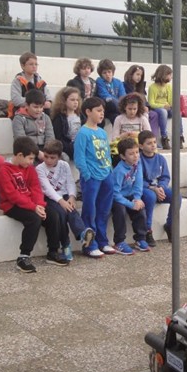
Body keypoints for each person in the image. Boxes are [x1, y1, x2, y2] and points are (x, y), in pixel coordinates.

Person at [0, 136, 64, 271]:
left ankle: (53, 251)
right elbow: (12, 195)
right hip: (12, 205)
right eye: (30, 158)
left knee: (53, 215)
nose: (32, 162)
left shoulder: (29, 168)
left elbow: (36, 188)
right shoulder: (4, 170)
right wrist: (34, 207)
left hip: (31, 204)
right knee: (34, 219)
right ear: (20, 155)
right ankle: (23, 256)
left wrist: (40, 206)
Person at [37, 139, 94, 262]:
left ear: (59, 157)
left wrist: (72, 196)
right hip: (50, 198)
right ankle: (66, 244)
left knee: (71, 208)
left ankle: (82, 234)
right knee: (62, 213)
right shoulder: (40, 169)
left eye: (52, 158)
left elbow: (70, 182)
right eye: (46, 156)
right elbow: (47, 189)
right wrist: (61, 201)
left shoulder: (64, 165)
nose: (48, 160)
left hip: (64, 195)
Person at [74, 97, 115, 258]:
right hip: (92, 177)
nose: (101, 113)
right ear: (88, 112)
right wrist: (87, 175)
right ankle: (90, 245)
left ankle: (103, 241)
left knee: (104, 210)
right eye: (98, 110)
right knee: (90, 210)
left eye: (103, 110)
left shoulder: (103, 132)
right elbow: (79, 157)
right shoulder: (83, 133)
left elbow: (106, 153)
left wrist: (110, 169)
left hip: (106, 175)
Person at [111, 137, 149, 255]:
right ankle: (119, 242)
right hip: (118, 197)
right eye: (131, 154)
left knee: (141, 208)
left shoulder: (138, 164)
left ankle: (140, 238)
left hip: (131, 195)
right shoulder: (119, 171)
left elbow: (138, 184)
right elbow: (115, 193)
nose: (136, 156)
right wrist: (130, 204)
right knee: (120, 210)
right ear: (123, 156)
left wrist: (137, 199)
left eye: (137, 152)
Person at [138, 130, 175, 245]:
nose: (153, 145)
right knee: (150, 197)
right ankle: (147, 230)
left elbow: (165, 177)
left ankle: (170, 225)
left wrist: (161, 187)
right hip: (146, 188)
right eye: (149, 143)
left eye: (154, 142)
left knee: (176, 196)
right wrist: (152, 188)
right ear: (141, 146)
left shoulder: (160, 159)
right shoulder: (139, 159)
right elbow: (138, 179)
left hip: (159, 188)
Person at [12, 88, 55, 163]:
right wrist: (37, 152)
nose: (39, 110)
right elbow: (21, 140)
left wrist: (47, 152)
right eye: (35, 107)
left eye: (41, 107)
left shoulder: (46, 117)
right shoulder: (18, 119)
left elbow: (50, 136)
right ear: (26, 105)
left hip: (44, 150)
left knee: (63, 159)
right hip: (27, 151)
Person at [111, 93, 150, 161]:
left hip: (138, 147)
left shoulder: (142, 118)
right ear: (124, 107)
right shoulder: (119, 119)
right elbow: (114, 138)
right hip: (123, 146)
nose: (132, 111)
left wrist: (138, 135)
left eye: (135, 109)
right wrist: (122, 136)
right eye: (130, 109)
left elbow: (149, 135)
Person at [10, 52, 52, 116]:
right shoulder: (17, 81)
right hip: (23, 111)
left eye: (36, 64)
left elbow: (48, 98)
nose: (34, 66)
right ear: (22, 66)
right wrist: (34, 103)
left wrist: (48, 102)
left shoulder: (40, 81)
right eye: (31, 64)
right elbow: (16, 100)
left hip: (39, 110)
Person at [50, 86, 83, 160]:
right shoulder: (59, 118)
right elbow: (59, 138)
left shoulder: (81, 116)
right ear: (64, 101)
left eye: (77, 100)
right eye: (72, 100)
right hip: (69, 147)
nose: (75, 102)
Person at [147, 64, 175, 149]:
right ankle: (164, 137)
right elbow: (151, 103)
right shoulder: (152, 87)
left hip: (168, 108)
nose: (171, 77)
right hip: (157, 108)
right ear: (163, 75)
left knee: (177, 112)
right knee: (163, 112)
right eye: (169, 75)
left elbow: (171, 101)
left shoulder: (169, 86)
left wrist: (171, 104)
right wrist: (163, 106)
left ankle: (180, 136)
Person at [124, 64, 159, 132]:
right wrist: (141, 107)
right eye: (137, 74)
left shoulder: (140, 87)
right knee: (144, 115)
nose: (139, 77)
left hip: (142, 109)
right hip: (132, 109)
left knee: (154, 114)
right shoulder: (124, 85)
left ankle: (152, 136)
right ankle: (144, 135)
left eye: (141, 75)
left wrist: (147, 107)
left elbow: (144, 100)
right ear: (131, 74)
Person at [96, 58, 126, 126]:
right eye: (104, 72)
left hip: (116, 110)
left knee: (116, 118)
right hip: (106, 107)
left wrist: (121, 104)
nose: (107, 74)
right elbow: (105, 95)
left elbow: (123, 96)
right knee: (110, 101)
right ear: (101, 74)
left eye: (109, 72)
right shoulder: (99, 81)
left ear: (113, 72)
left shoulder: (118, 82)